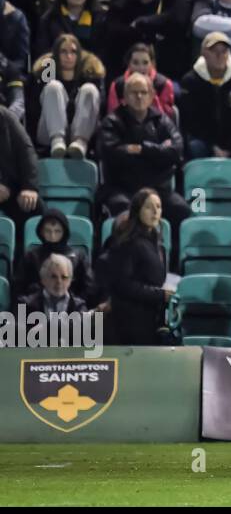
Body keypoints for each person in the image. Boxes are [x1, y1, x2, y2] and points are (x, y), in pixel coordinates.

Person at [96, 71, 188, 230]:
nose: (139, 97)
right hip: (123, 188)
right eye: (134, 92)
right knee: (123, 209)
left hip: (158, 189)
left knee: (182, 210)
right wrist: (158, 153)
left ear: (152, 95)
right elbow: (112, 154)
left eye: (143, 92)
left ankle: (169, 253)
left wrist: (142, 150)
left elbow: (176, 152)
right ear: (124, 95)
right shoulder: (111, 122)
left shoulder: (162, 121)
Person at [101, 188, 171, 345]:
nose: (155, 211)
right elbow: (124, 285)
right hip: (129, 321)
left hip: (150, 316)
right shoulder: (127, 242)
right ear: (137, 210)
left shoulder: (158, 244)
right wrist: (160, 295)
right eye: (148, 207)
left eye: (158, 207)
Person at [177, 31, 231, 161]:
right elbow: (190, 120)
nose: (219, 55)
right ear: (203, 53)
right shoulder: (190, 81)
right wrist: (212, 145)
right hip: (203, 138)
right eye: (214, 51)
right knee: (195, 147)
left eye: (224, 51)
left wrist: (228, 146)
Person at [30, 32, 103, 158]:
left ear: (79, 54)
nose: (68, 56)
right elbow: (34, 109)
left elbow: (99, 107)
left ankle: (80, 142)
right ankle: (57, 141)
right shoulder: (46, 72)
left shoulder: (90, 74)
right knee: (53, 86)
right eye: (63, 52)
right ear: (56, 54)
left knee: (90, 89)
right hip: (48, 133)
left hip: (83, 134)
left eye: (73, 52)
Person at [15, 208, 95, 304]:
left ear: (64, 232)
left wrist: (75, 303)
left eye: (57, 231)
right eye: (48, 231)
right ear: (41, 232)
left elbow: (89, 286)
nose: (52, 236)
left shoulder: (79, 256)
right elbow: (19, 287)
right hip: (37, 307)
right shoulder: (31, 256)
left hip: (71, 308)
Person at [0, 98, 40, 226]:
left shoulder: (5, 116)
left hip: (9, 187)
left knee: (32, 205)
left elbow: (26, 150)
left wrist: (29, 187)